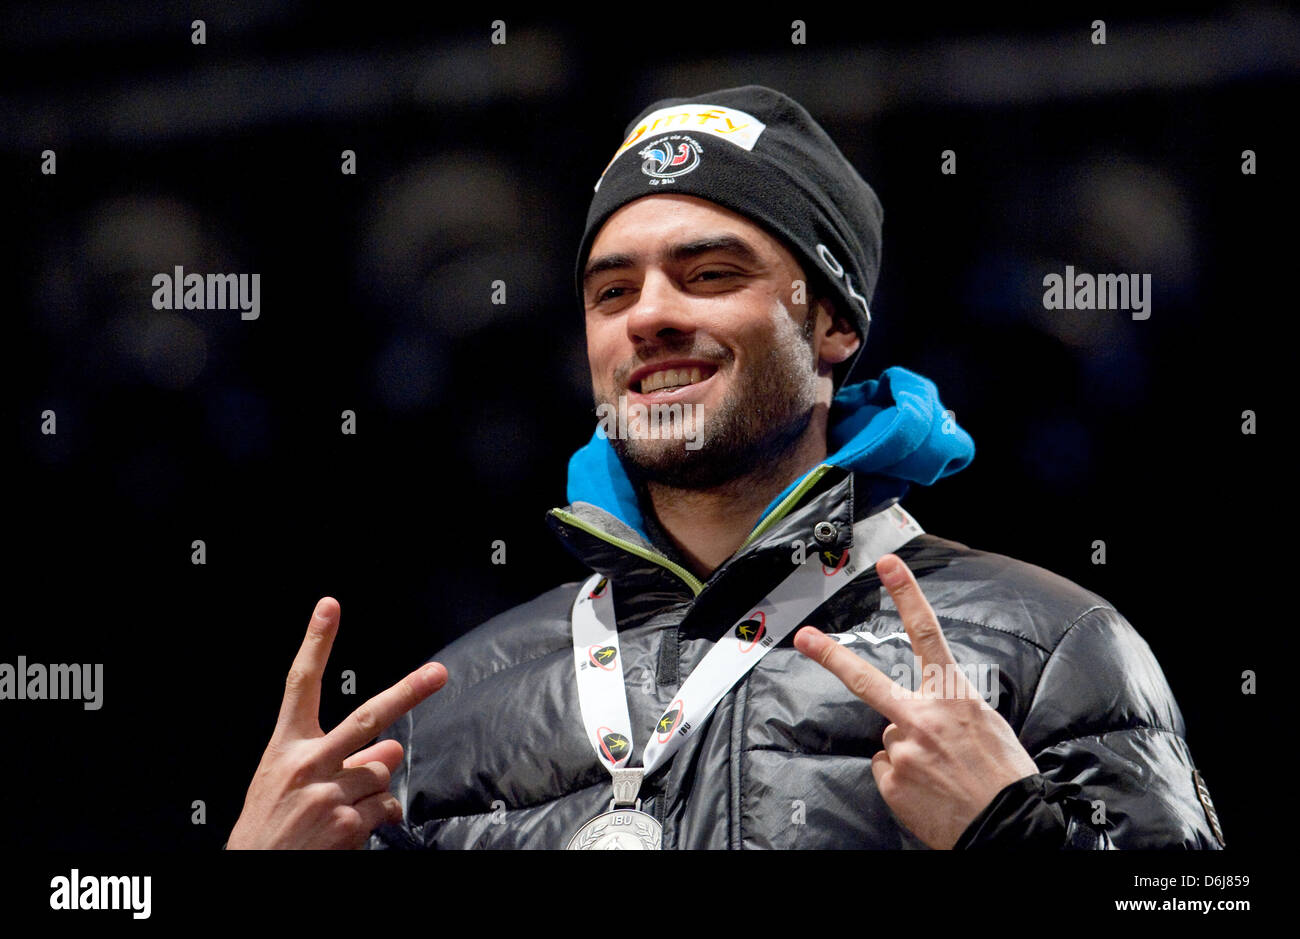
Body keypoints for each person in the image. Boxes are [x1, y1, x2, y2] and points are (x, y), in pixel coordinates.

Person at [226, 86, 1224, 850]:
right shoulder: (451, 709)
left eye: (710, 274)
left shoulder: (1045, 648)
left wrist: (1011, 832)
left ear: (832, 323)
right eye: (612, 290)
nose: (650, 313)